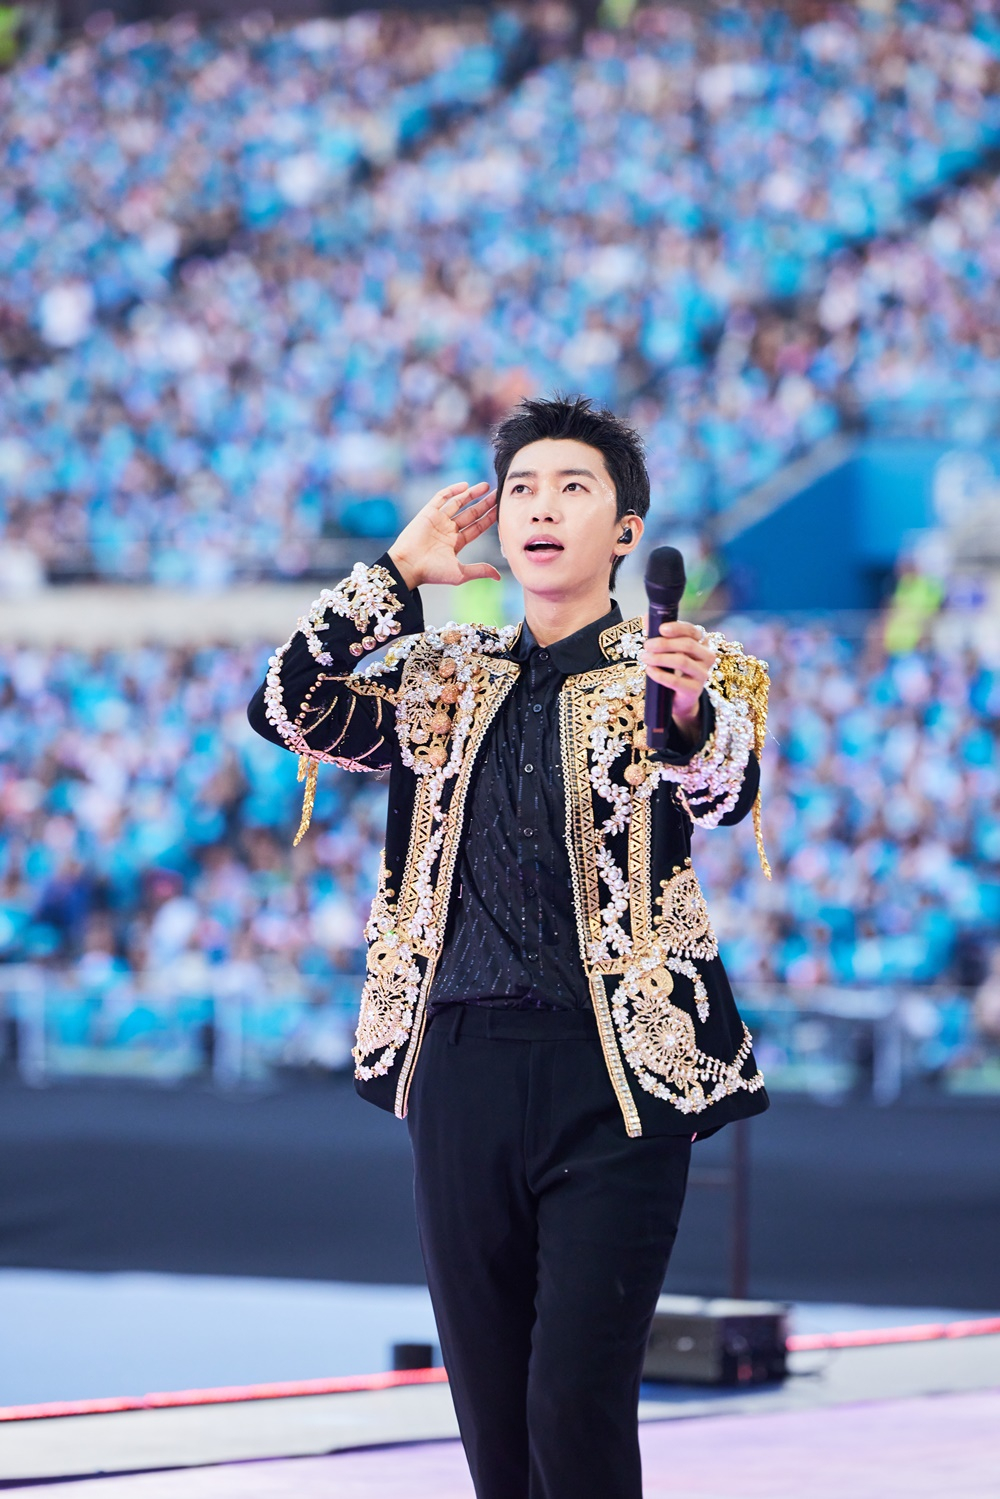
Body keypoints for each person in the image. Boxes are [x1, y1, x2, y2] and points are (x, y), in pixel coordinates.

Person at [248, 394, 771, 1499]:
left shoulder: (681, 668)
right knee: (491, 1417)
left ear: (625, 530)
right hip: (459, 1072)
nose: (540, 508)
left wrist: (683, 717)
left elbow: (721, 784)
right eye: (522, 488)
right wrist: (394, 575)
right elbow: (285, 704)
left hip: (620, 1081)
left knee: (573, 1404)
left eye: (573, 488)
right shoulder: (444, 673)